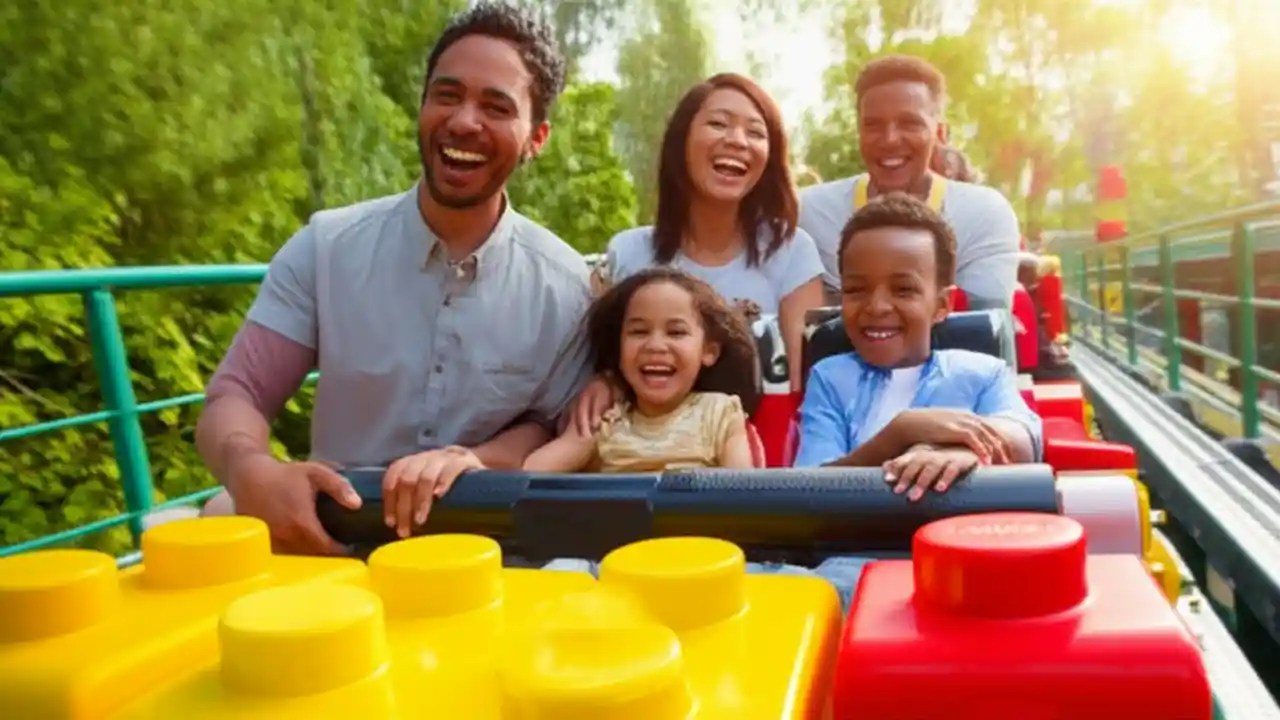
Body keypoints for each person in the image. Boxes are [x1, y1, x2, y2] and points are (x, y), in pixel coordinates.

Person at [194, 2, 592, 552]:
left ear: (536, 138)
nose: (463, 122)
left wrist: (475, 460)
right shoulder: (326, 248)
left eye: (496, 107)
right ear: (423, 105)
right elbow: (238, 392)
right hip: (328, 544)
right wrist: (251, 470)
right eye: (447, 95)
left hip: (491, 563)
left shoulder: (568, 288)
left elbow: (556, 428)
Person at [793, 193, 1042, 501]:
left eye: (904, 290)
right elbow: (808, 487)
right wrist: (901, 433)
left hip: (961, 541)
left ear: (941, 305)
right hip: (857, 547)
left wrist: (967, 450)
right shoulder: (830, 378)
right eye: (856, 289)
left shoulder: (982, 372)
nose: (877, 306)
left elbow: (1022, 434)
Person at [601, 73, 825, 393]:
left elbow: (805, 387)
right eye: (718, 124)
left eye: (756, 132)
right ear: (681, 141)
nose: (737, 140)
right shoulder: (627, 253)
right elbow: (607, 373)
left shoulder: (792, 251)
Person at [798, 55, 1022, 310]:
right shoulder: (811, 212)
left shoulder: (983, 213)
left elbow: (979, 327)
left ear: (940, 133)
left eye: (909, 123)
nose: (890, 139)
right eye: (873, 125)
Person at [526, 268, 760, 473]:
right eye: (639, 332)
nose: (655, 345)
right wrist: (579, 440)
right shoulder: (605, 421)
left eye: (676, 332)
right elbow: (528, 477)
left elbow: (742, 498)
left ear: (709, 351)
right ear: (618, 348)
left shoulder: (720, 415)